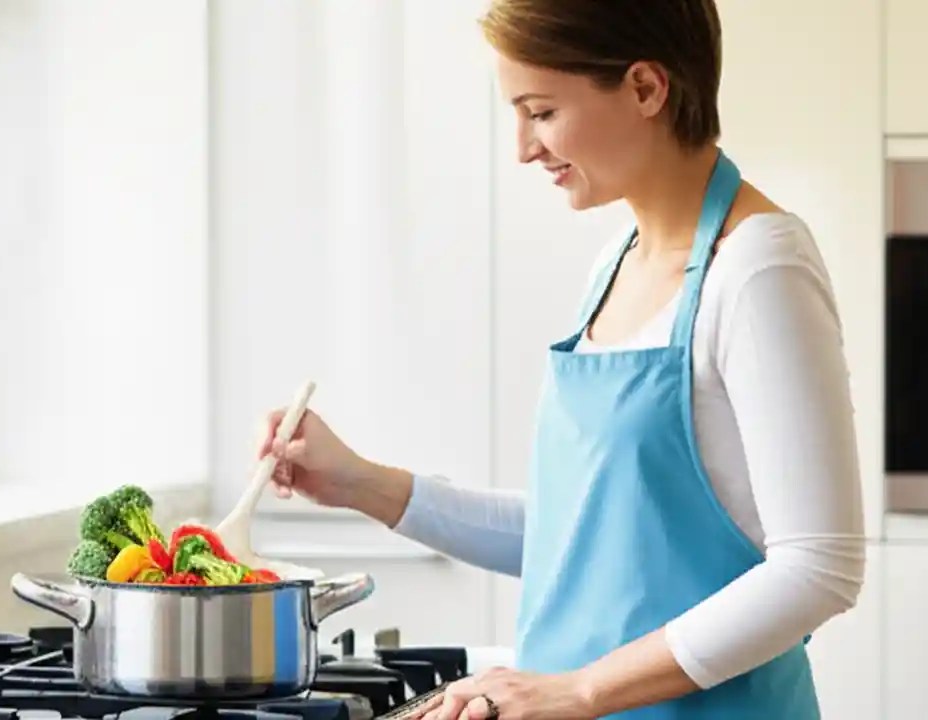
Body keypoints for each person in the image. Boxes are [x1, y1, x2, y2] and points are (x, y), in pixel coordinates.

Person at [256, 1, 865, 718]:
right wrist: (359, 483)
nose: (522, 147)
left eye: (540, 112)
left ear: (645, 88)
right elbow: (575, 538)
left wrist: (581, 689)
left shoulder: (758, 268)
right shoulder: (617, 263)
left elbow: (819, 568)